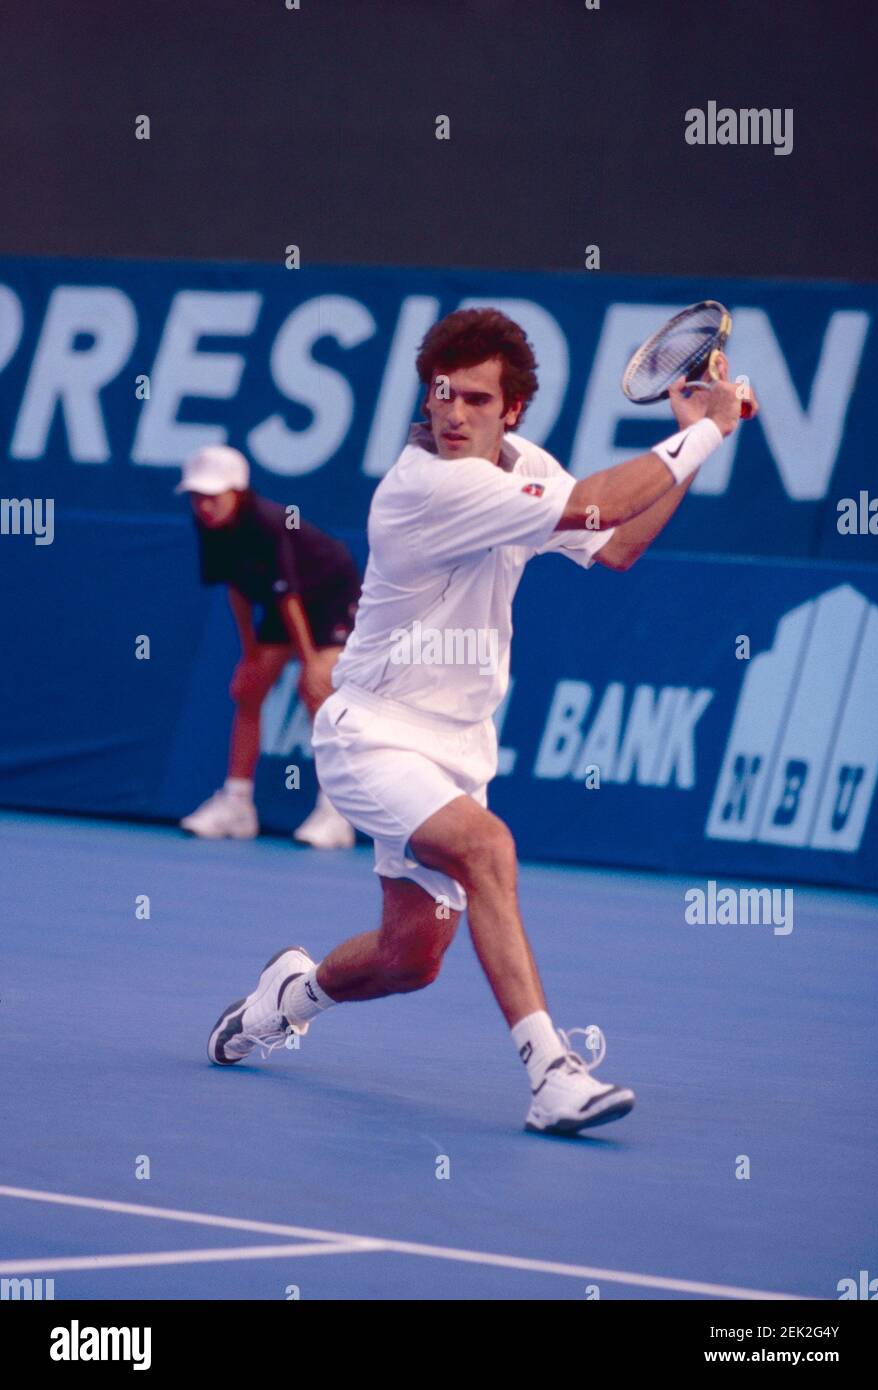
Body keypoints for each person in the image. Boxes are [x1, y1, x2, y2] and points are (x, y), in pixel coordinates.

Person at [206, 309, 756, 1135]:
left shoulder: (518, 467)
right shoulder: (429, 485)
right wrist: (708, 432)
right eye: (441, 396)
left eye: (474, 398)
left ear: (513, 412)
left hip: (459, 750)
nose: (452, 414)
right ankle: (552, 1075)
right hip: (372, 736)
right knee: (489, 847)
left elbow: (614, 545)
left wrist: (693, 449)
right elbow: (595, 502)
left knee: (408, 960)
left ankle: (290, 994)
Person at [177, 444, 360, 850]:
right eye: (197, 495)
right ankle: (238, 805)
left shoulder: (268, 522)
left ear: (237, 492)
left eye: (213, 495)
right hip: (286, 604)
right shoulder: (209, 525)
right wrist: (250, 653)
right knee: (248, 688)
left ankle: (336, 813)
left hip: (330, 595)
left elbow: (288, 596)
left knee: (316, 691)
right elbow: (237, 589)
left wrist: (310, 662)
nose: (204, 505)